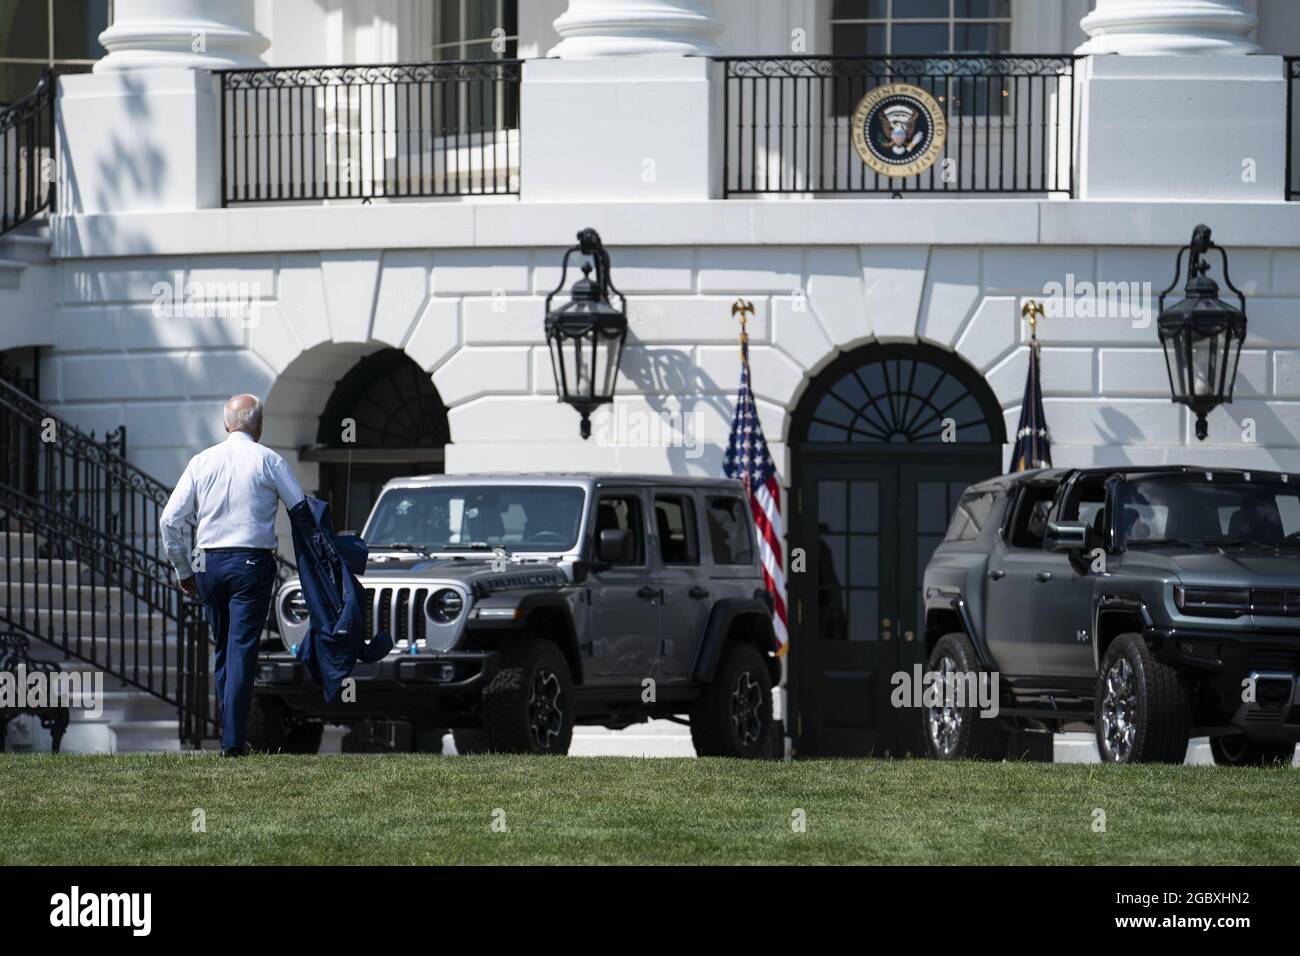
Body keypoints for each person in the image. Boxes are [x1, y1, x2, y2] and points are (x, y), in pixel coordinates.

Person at [159, 394, 305, 757]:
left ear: (227, 424)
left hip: (207, 562)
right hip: (250, 563)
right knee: (241, 651)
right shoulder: (268, 459)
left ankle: (231, 733)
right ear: (259, 425)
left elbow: (169, 520)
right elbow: (300, 508)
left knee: (223, 649)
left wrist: (182, 569)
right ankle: (233, 742)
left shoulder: (201, 460)